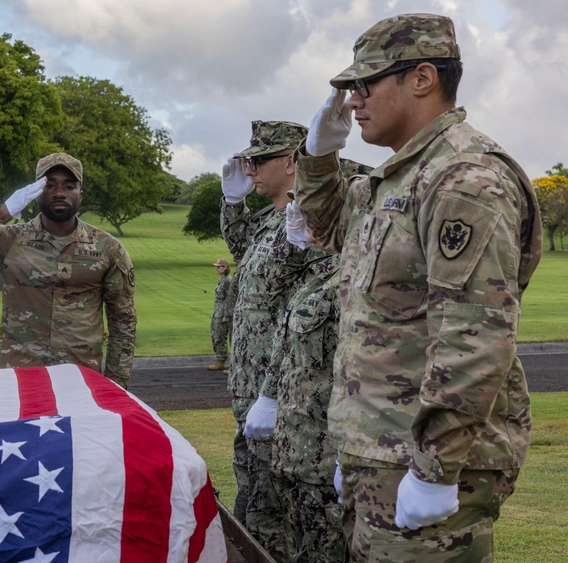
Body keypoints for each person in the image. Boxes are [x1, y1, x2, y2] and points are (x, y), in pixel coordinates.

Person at [294, 13, 542, 561]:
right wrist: (316, 158)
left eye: (365, 84)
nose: (353, 101)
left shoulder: (464, 179)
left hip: (430, 463)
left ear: (422, 79)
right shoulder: (397, 178)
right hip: (381, 453)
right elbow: (329, 227)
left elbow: (474, 339)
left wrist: (433, 470)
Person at [0, 152, 137, 388]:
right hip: (20, 381)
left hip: (81, 382)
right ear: (35, 192)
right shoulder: (10, 240)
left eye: (69, 186)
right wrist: (1, 212)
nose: (59, 193)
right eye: (49, 186)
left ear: (81, 195)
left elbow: (123, 322)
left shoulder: (107, 248)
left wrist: (116, 386)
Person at [221, 120, 309, 561]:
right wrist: (232, 202)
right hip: (249, 389)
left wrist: (272, 393)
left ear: (291, 161)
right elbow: (243, 250)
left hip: (280, 390)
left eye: (259, 161)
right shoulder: (270, 219)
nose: (251, 170)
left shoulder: (306, 219)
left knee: (275, 518)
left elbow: (291, 296)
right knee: (251, 505)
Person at [269, 203, 347, 562]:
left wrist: (350, 456)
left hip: (328, 460)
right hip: (298, 455)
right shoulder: (317, 277)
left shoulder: (354, 281)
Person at [207, 258, 235, 372]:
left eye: (219, 267)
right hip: (218, 311)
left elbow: (229, 299)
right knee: (216, 335)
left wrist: (226, 314)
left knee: (222, 336)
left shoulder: (228, 280)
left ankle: (225, 361)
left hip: (223, 312)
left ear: (225, 267)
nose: (217, 269)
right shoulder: (222, 280)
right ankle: (220, 360)